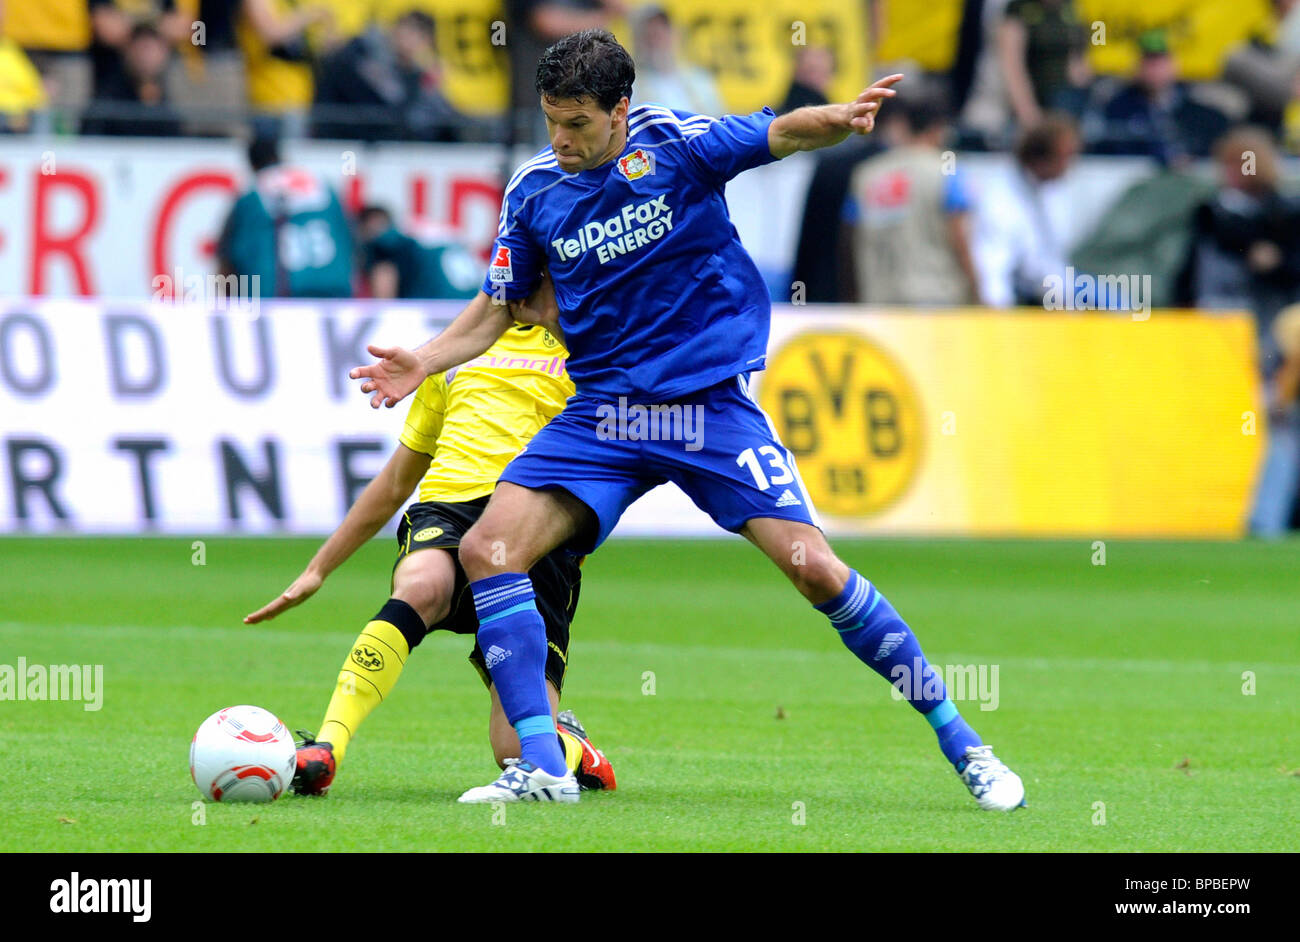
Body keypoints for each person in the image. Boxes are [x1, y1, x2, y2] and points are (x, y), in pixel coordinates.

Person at [352, 29, 1025, 810]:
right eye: (550, 121)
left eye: (576, 124)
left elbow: (774, 134)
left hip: (707, 404)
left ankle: (964, 745)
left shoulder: (678, 145)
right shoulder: (534, 191)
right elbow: (500, 305)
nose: (559, 140)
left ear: (620, 111)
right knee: (488, 549)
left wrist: (837, 117)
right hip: (603, 411)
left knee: (814, 568)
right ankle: (541, 766)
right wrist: (426, 360)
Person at [244, 304, 615, 796]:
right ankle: (327, 748)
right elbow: (398, 480)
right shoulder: (462, 347)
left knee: (515, 750)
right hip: (450, 507)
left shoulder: (589, 347)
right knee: (422, 584)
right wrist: (319, 569)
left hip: (533, 523)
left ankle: (571, 748)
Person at [843, 97, 979, 305]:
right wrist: (977, 293)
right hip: (938, 298)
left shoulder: (866, 174)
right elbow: (960, 239)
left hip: (877, 299)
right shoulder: (947, 171)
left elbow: (848, 241)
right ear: (938, 129)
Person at [216, 136, 354, 299]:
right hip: (334, 292)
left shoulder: (251, 196)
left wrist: (228, 304)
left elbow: (227, 256)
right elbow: (351, 239)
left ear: (251, 164)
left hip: (277, 298)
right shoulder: (324, 186)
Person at [971, 113, 1080, 307]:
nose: (1070, 167)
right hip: (1017, 303)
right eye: (1066, 158)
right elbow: (993, 271)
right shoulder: (1000, 200)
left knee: (1118, 303)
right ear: (1042, 159)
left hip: (1051, 294)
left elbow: (1053, 262)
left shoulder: (1052, 193)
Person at [358, 205, 481, 300]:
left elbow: (384, 276)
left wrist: (381, 315)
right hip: (474, 309)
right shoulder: (444, 233)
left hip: (434, 313)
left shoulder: (389, 239)